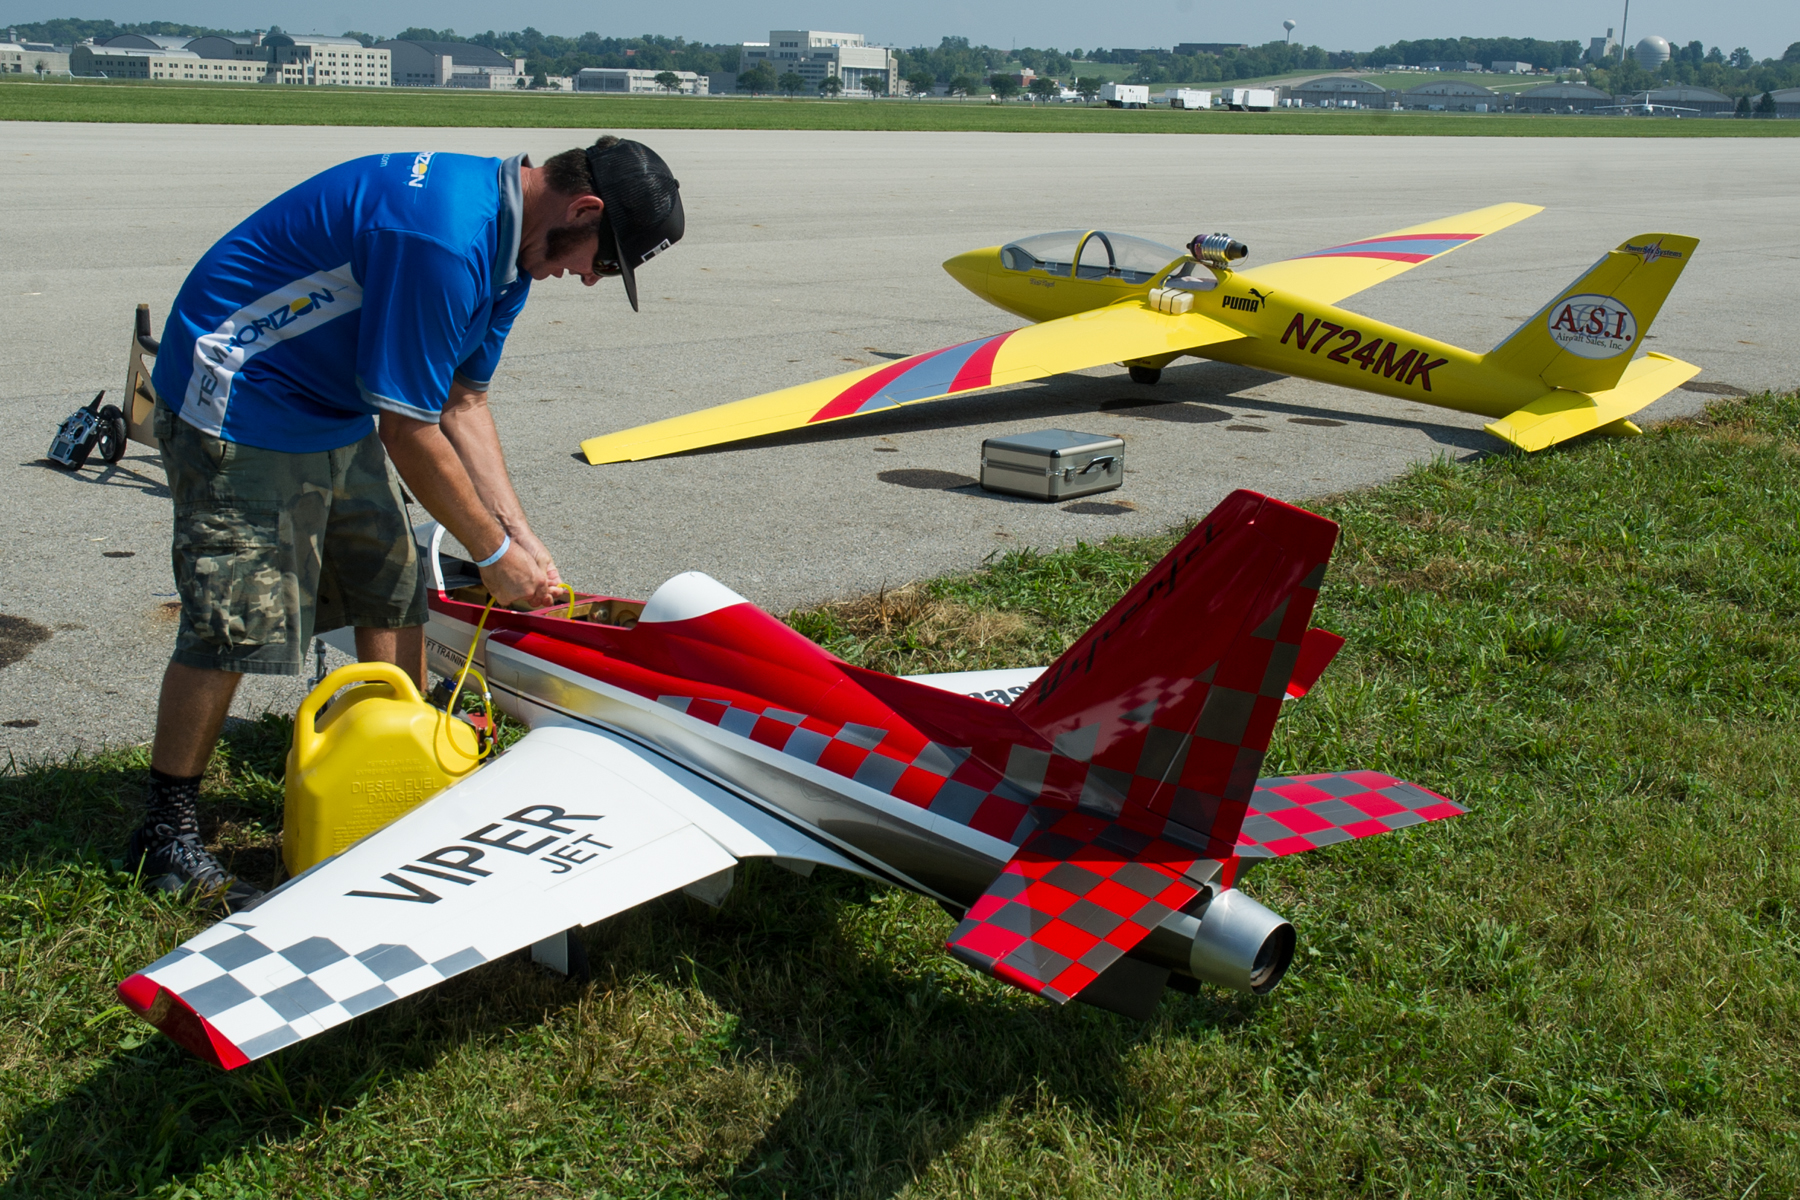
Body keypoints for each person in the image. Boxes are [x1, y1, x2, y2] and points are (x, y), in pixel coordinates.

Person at [132, 135, 684, 910]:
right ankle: (167, 832)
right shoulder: (443, 240)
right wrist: (490, 553)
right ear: (582, 210)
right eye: (603, 260)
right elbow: (408, 428)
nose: (587, 278)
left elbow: (463, 401)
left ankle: (386, 764)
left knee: (390, 586)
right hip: (241, 393)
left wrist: (519, 537)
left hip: (329, 399)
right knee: (240, 618)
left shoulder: (512, 251)